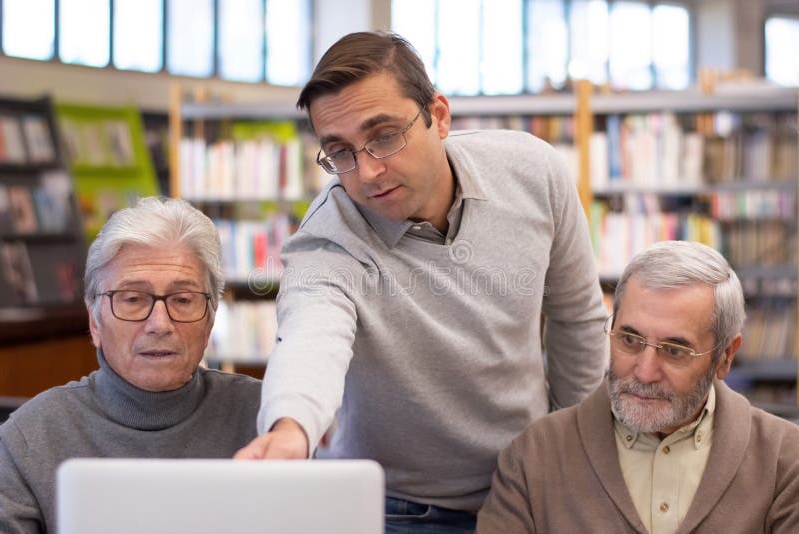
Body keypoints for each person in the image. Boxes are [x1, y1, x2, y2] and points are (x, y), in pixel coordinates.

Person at [234, 31, 607, 532]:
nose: (367, 172)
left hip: (529, 488)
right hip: (394, 507)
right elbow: (309, 340)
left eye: (385, 135)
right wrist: (290, 429)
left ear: (440, 116)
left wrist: (568, 453)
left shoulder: (533, 173)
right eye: (340, 151)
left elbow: (577, 318)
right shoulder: (330, 238)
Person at [476, 240, 799, 533]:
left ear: (725, 357)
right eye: (630, 340)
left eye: (675, 350)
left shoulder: (785, 462)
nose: (644, 372)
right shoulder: (533, 456)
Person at [0, 197, 262, 533]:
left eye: (182, 300)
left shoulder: (265, 420)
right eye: (133, 299)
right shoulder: (30, 439)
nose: (160, 323)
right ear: (94, 321)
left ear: (210, 321)